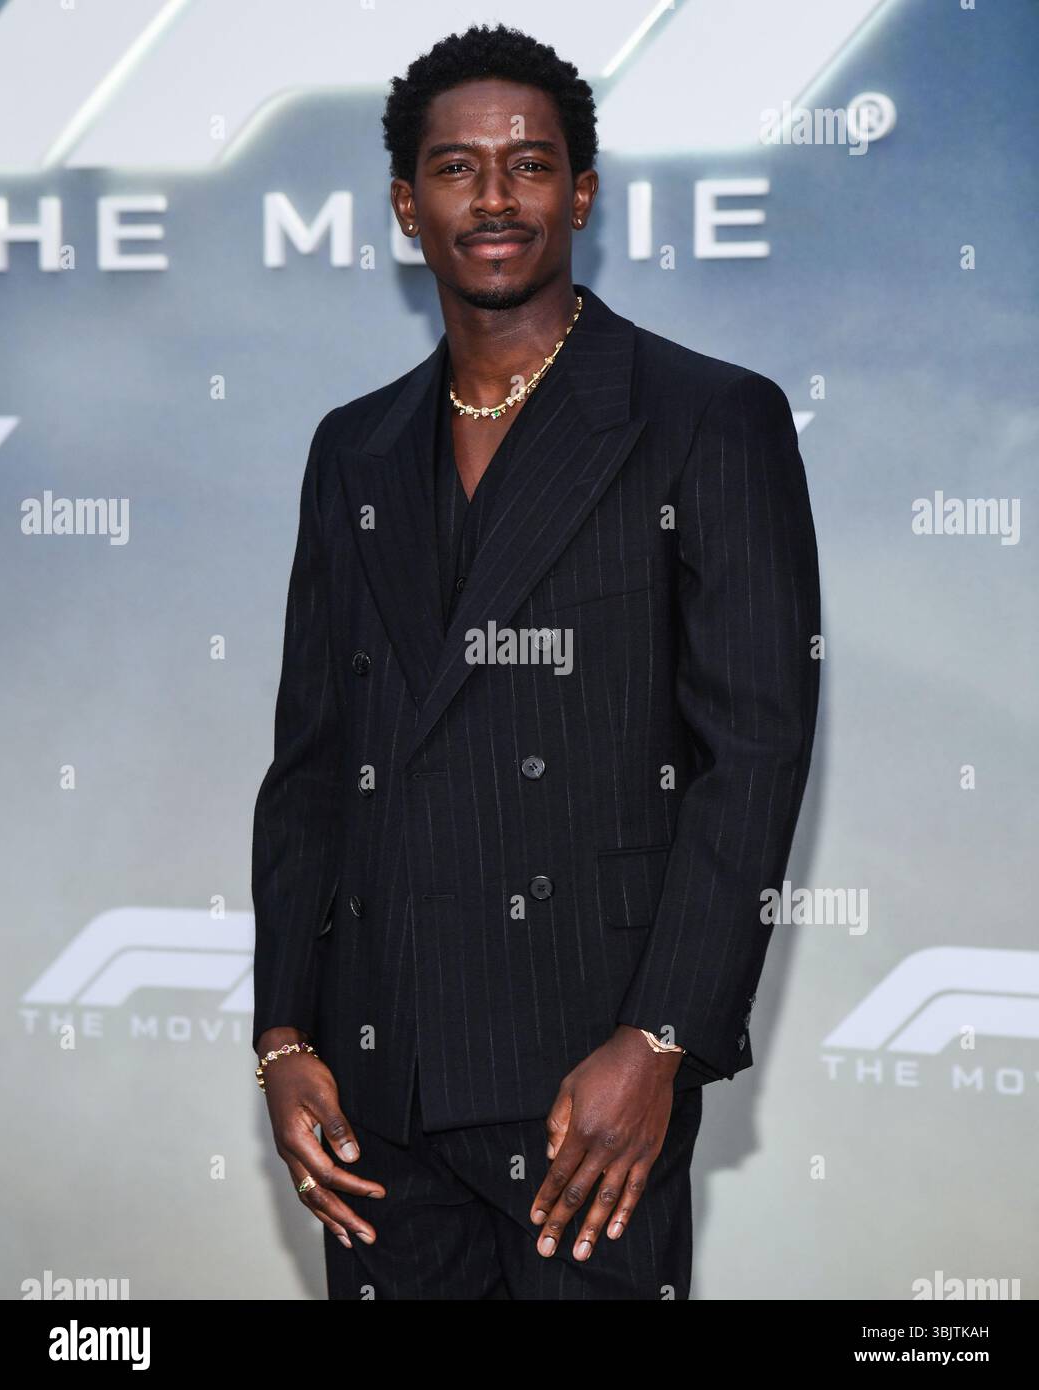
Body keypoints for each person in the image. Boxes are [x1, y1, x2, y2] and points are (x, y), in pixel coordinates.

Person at [251, 22, 820, 1300]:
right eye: (456, 169)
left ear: (582, 192)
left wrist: (659, 1037)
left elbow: (753, 754)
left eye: (528, 164)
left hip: (584, 1081)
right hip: (372, 1082)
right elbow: (308, 764)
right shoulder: (353, 448)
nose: (494, 197)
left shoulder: (705, 417)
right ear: (406, 205)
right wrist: (280, 1033)